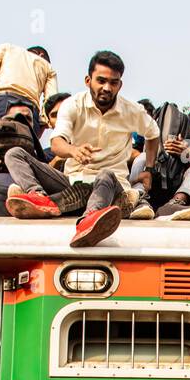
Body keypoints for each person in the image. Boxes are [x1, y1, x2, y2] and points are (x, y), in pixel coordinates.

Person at [49, 50, 161, 247]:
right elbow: (56, 143)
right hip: (73, 184)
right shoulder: (72, 105)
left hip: (111, 184)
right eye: (101, 81)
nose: (107, 88)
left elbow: (153, 134)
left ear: (120, 84)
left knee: (105, 174)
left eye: (113, 82)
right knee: (15, 155)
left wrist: (149, 169)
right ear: (88, 80)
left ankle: (88, 222)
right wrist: (73, 150)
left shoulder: (131, 110)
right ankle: (38, 199)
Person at [0, 43, 57, 136]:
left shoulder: (8, 49)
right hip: (31, 113)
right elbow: (51, 102)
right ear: (41, 55)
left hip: (2, 103)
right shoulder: (48, 68)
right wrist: (40, 125)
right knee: (26, 146)